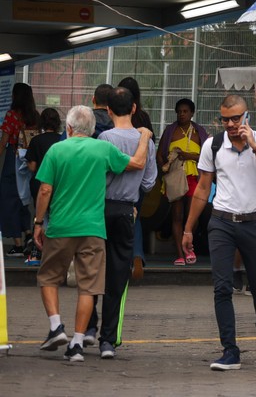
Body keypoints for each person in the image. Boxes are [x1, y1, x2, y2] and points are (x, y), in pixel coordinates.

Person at [32, 105, 152, 363]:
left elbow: (44, 190)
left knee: (49, 277)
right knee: (89, 287)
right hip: (93, 229)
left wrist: (39, 222)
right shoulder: (103, 149)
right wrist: (144, 137)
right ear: (94, 130)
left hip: (61, 227)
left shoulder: (57, 150)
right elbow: (138, 163)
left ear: (69, 128)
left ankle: (55, 327)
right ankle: (76, 343)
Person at [183, 94, 256, 371]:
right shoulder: (213, 145)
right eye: (225, 119)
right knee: (222, 287)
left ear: (246, 116)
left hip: (253, 224)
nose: (230, 124)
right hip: (221, 223)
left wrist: (255, 147)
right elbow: (203, 189)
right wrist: (188, 229)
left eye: (235, 118)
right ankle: (230, 350)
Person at [86, 87, 158, 359]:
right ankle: (108, 340)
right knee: (118, 274)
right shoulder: (146, 141)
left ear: (107, 110)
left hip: (100, 209)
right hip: (128, 211)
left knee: (93, 267)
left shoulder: (104, 137)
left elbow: (99, 175)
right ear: (134, 108)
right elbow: (149, 182)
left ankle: (89, 326)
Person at [157, 98, 209, 265]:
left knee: (192, 216)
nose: (182, 114)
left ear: (192, 113)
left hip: (195, 176)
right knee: (177, 216)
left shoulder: (199, 132)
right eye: (179, 111)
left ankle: (188, 249)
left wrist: (189, 156)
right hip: (176, 177)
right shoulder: (170, 131)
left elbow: (208, 156)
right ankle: (179, 254)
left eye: (185, 111)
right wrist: (164, 172)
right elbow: (160, 154)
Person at [117, 77, 154, 280]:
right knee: (135, 217)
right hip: (138, 181)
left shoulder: (115, 123)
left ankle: (119, 259)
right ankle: (137, 255)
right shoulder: (143, 118)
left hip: (118, 178)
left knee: (115, 217)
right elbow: (151, 148)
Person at [1, 82, 40, 257]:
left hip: (13, 158)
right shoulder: (35, 117)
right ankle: (29, 235)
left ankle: (17, 243)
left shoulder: (12, 115)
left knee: (9, 199)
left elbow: (4, 141)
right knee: (24, 197)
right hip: (30, 160)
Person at [24, 107, 63, 265]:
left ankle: (39, 251)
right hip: (59, 184)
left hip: (39, 184)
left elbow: (32, 167)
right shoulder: (62, 141)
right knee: (55, 216)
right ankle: (55, 253)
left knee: (41, 217)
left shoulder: (36, 141)